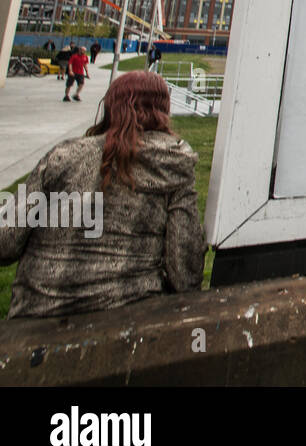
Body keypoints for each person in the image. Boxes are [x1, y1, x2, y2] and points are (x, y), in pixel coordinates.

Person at [0, 71, 206, 318]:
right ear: (163, 109)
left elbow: (6, 241)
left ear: (110, 106)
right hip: (127, 317)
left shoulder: (62, 156)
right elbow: (185, 273)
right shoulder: (173, 163)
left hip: (35, 315)